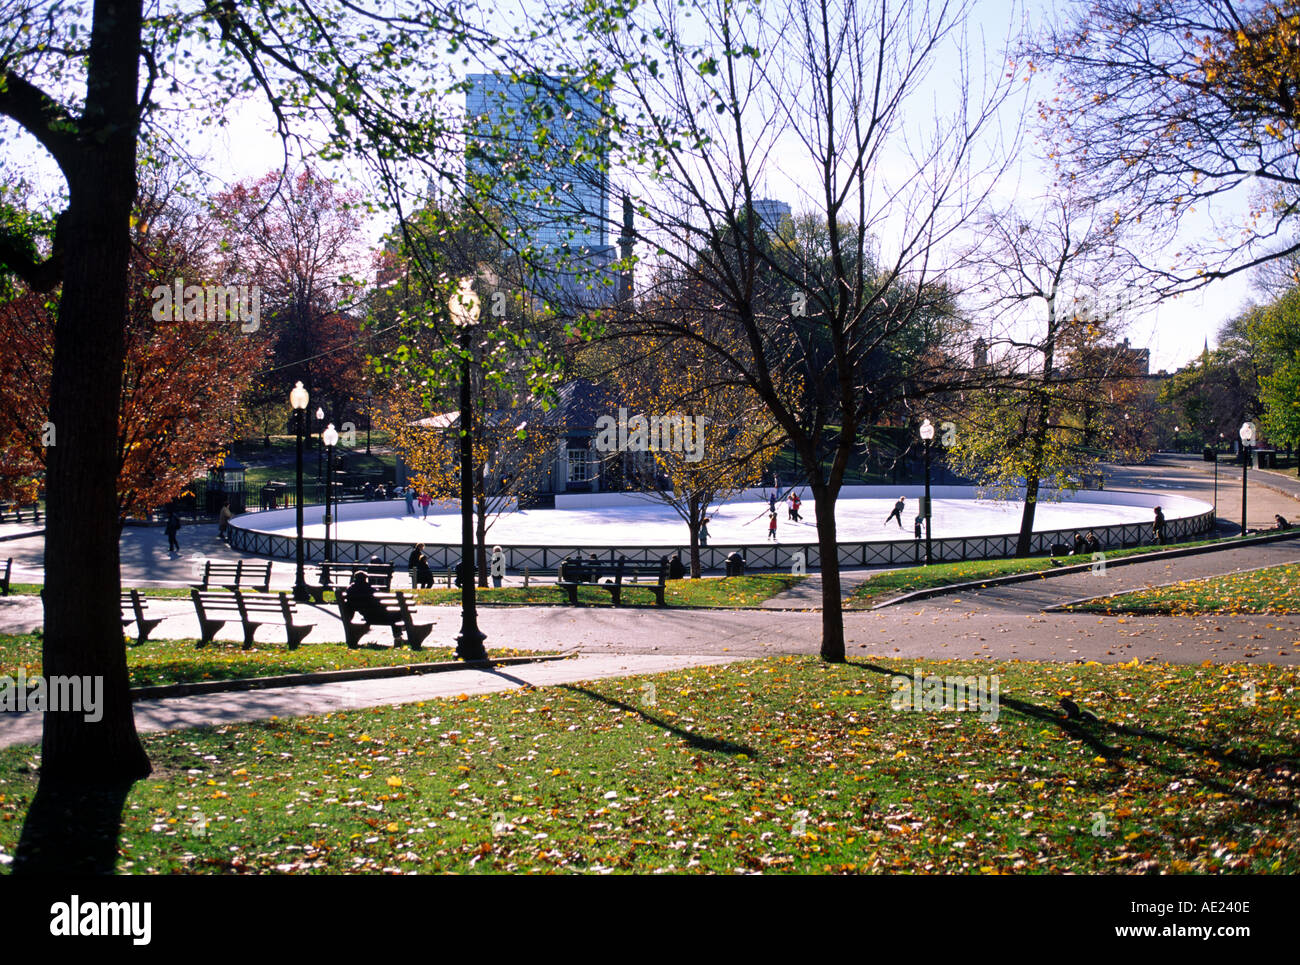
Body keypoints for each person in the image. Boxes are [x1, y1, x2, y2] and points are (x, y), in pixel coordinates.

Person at [346, 571, 403, 646]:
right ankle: (398, 636)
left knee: (395, 614)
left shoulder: (350, 590)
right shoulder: (371, 589)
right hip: (379, 616)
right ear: (365, 579)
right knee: (397, 614)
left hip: (367, 616)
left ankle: (399, 634)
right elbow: (381, 601)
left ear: (355, 579)